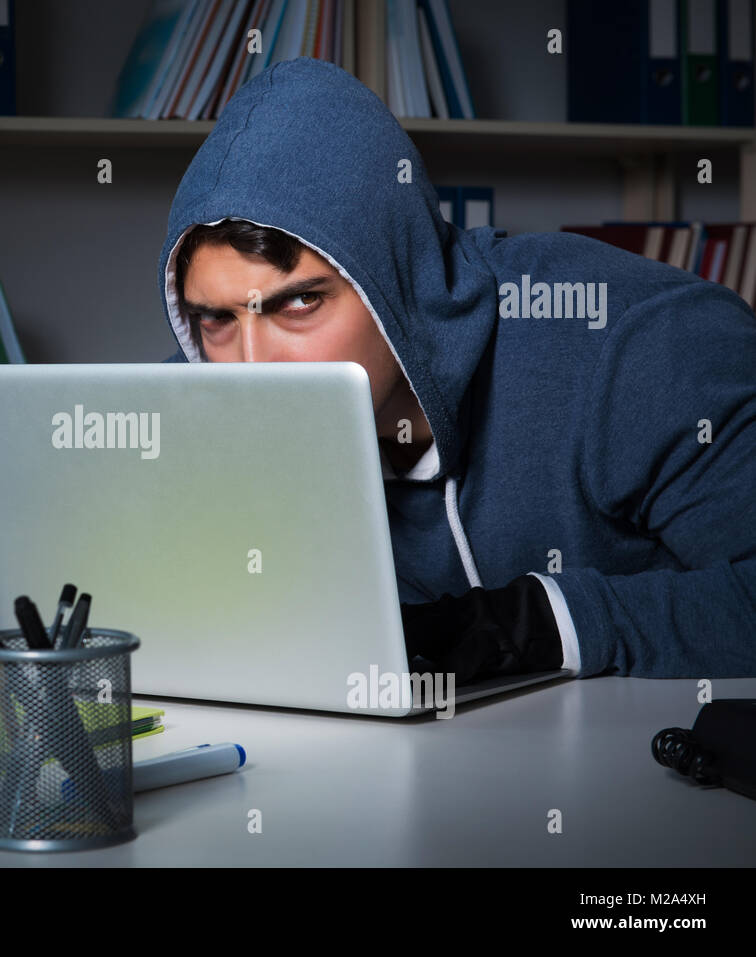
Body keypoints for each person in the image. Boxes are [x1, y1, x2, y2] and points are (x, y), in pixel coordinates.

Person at [157, 57, 756, 682]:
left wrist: (542, 623)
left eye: (301, 302)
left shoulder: (637, 345)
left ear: (393, 283)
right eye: (216, 318)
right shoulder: (201, 392)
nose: (253, 370)